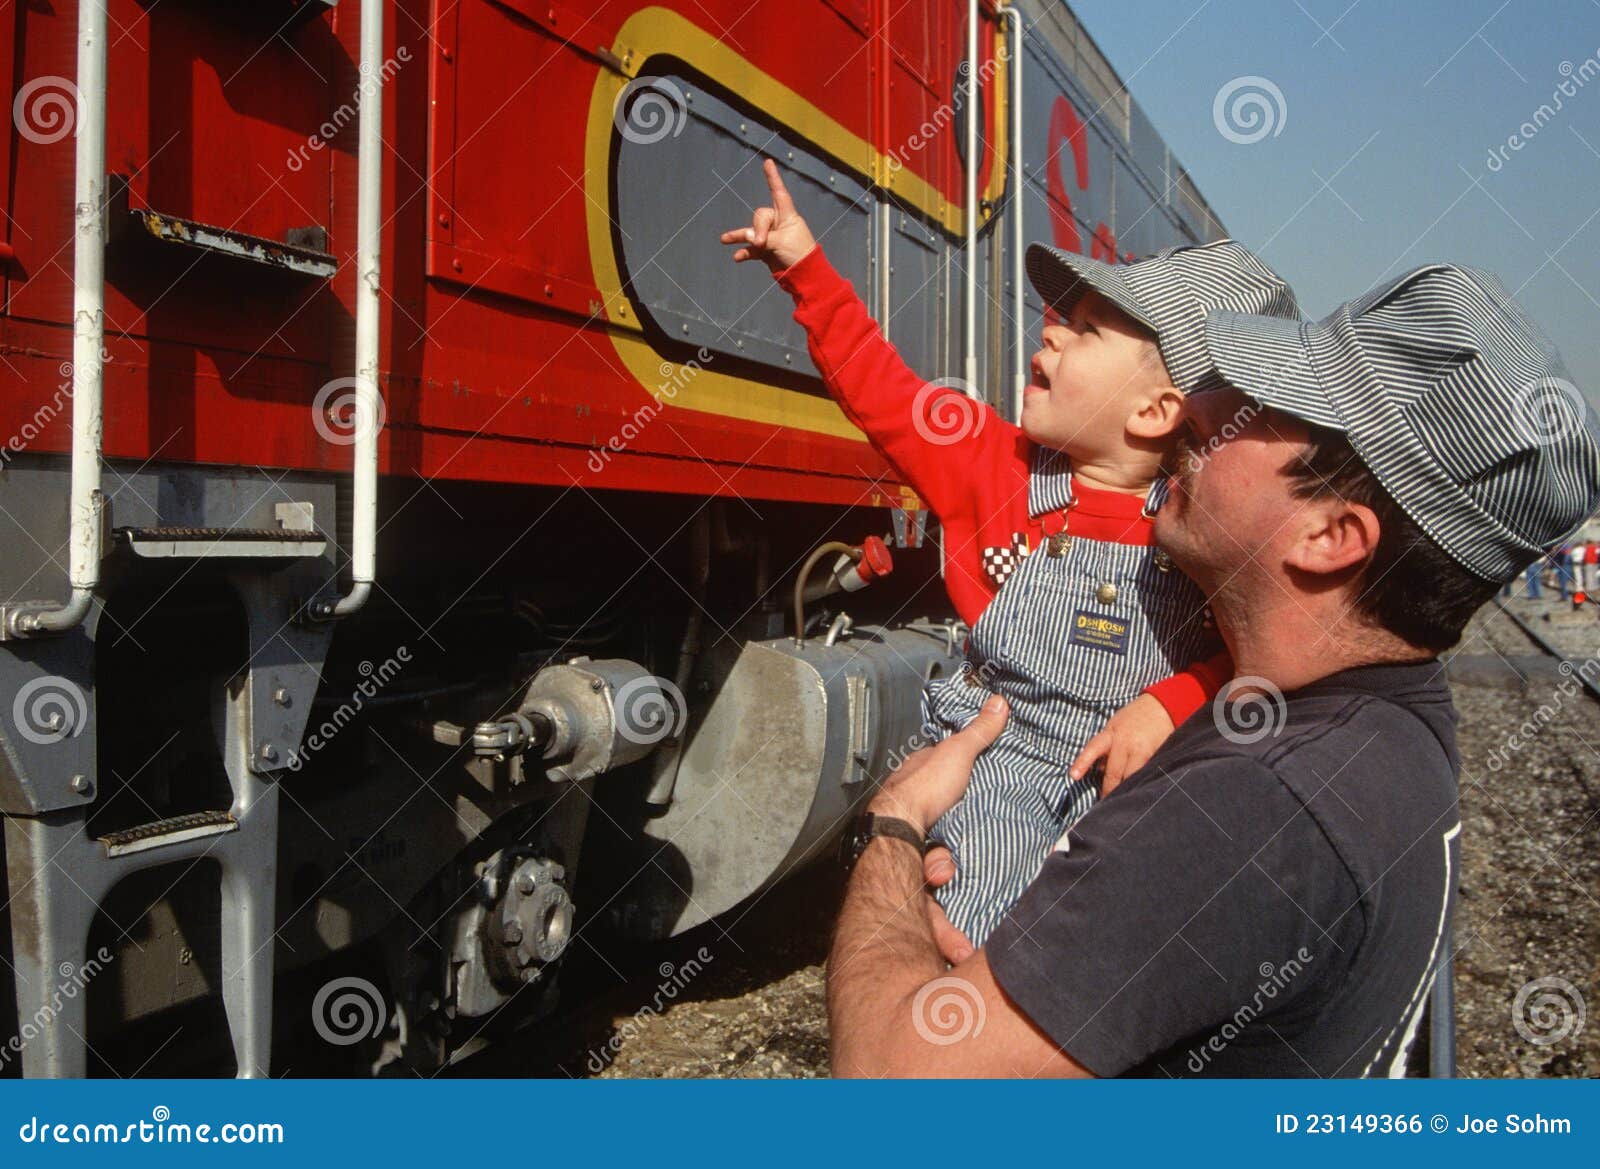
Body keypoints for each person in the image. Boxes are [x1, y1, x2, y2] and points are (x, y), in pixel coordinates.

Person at [826, 261, 1600, 1076]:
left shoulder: (1248, 810)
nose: (1201, 410)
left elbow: (889, 1085)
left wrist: (897, 828)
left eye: (1259, 404)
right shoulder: (1395, 721)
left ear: (1332, 536)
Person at [721, 160, 1302, 947]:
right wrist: (805, 269)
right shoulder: (988, 463)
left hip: (1123, 776)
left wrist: (1170, 702)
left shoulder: (1200, 526)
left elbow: (1254, 656)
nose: (1050, 327)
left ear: (1158, 411)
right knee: (974, 924)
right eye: (1060, 314)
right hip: (993, 759)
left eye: (1086, 327)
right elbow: (881, 388)